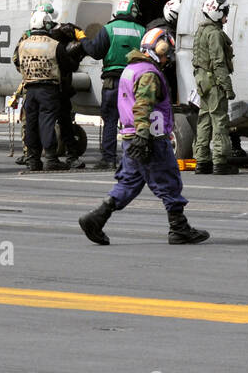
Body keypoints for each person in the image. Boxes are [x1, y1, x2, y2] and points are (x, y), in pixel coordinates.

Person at [79, 27, 210, 245]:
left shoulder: (132, 68)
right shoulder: (149, 74)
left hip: (133, 138)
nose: (167, 58)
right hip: (150, 139)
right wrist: (143, 135)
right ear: (157, 49)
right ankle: (179, 228)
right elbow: (142, 106)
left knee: (129, 182)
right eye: (165, 52)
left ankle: (96, 219)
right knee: (169, 181)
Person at [81, 0, 145, 170]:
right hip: (135, 81)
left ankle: (109, 159)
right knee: (135, 121)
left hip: (113, 81)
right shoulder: (142, 30)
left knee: (110, 120)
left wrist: (82, 39)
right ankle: (134, 158)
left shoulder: (108, 29)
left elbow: (95, 52)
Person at [13, 9, 75, 172]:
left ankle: (33, 160)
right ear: (46, 25)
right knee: (47, 123)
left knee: (31, 124)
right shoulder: (54, 45)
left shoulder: (22, 44)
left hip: (30, 89)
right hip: (49, 89)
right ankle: (51, 159)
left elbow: (17, 63)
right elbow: (67, 65)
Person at [192, 0, 238, 175]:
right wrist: (227, 87)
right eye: (225, 13)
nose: (226, 17)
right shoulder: (215, 34)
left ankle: (202, 161)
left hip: (203, 81)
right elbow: (219, 62)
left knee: (203, 120)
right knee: (219, 120)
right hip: (214, 82)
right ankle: (220, 161)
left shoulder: (201, 31)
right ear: (217, 13)